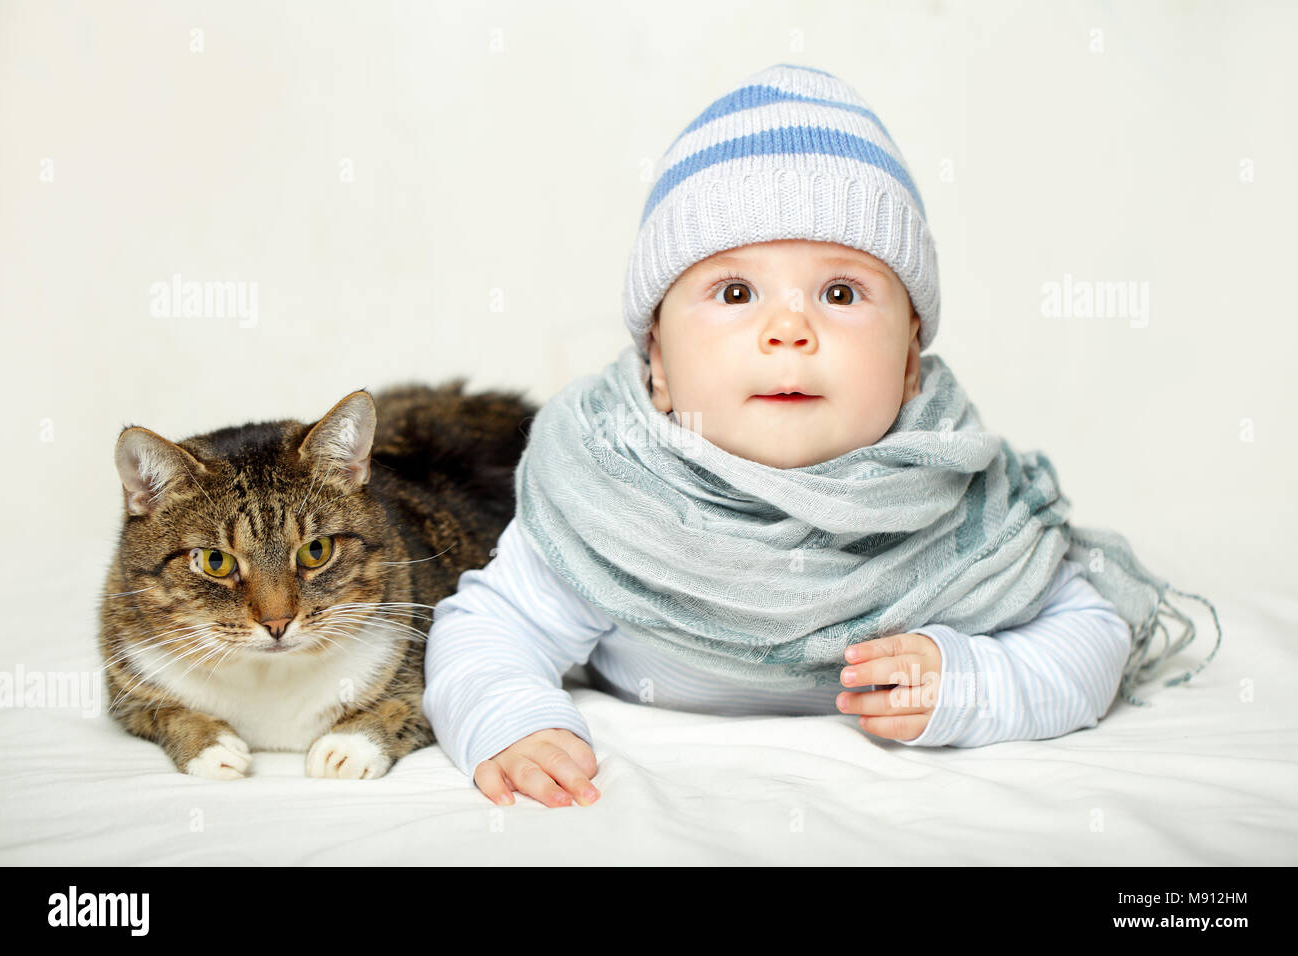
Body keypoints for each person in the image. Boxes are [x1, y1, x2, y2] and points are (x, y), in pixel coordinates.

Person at [423, 64, 1221, 809]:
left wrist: (978, 680)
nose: (789, 329)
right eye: (735, 290)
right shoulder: (611, 493)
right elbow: (488, 627)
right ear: (656, 363)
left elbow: (1091, 634)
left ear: (911, 361)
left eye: (840, 291)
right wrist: (510, 715)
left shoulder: (960, 505)